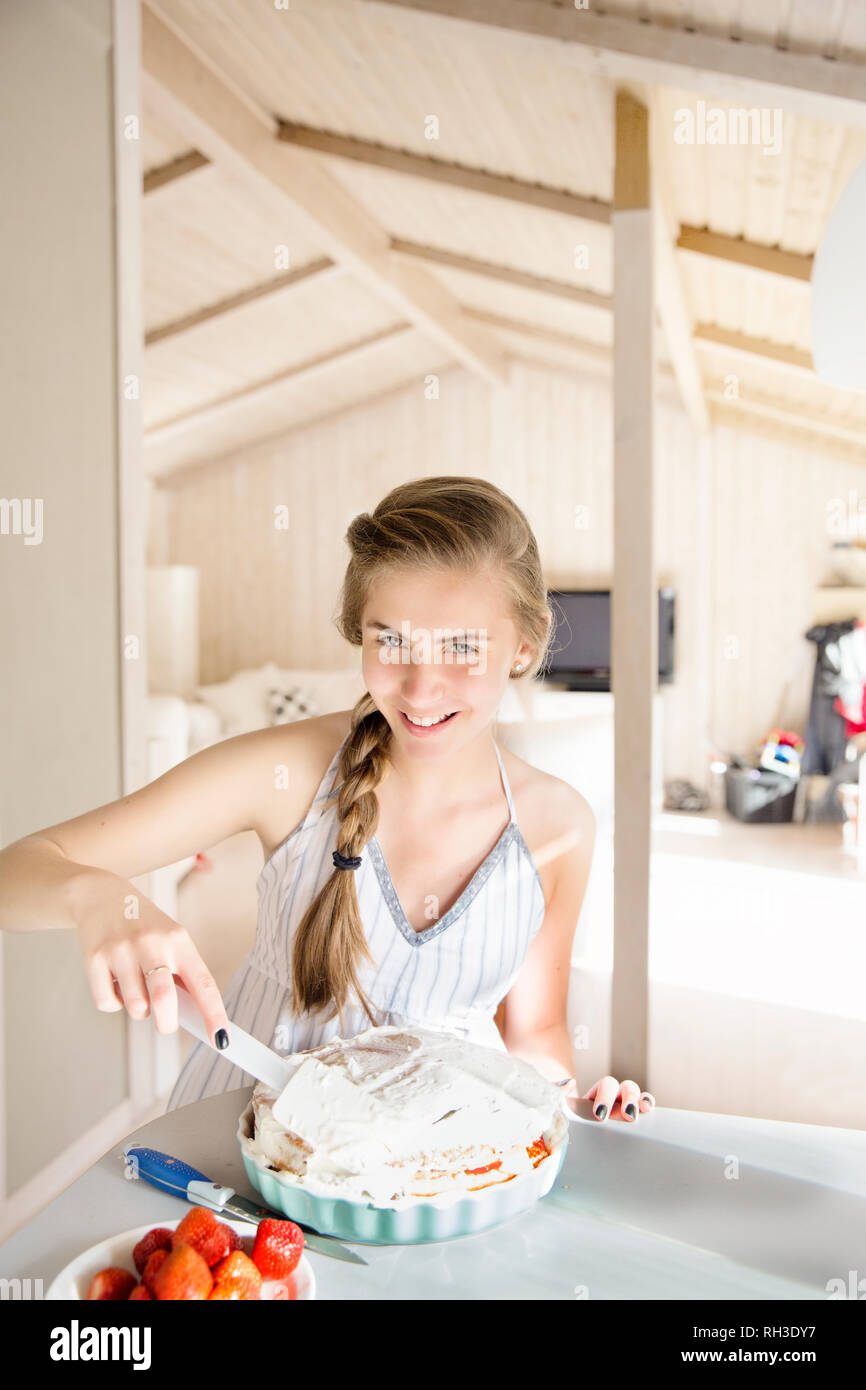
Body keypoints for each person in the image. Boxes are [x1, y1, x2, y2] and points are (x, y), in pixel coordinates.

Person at [0, 475, 654, 1124]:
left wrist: (576, 1111)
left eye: (461, 647)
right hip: (239, 1176)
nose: (420, 688)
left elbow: (535, 1036)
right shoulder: (284, 772)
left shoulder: (559, 826)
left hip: (432, 1183)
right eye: (390, 640)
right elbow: (17, 871)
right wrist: (96, 898)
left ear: (525, 643)